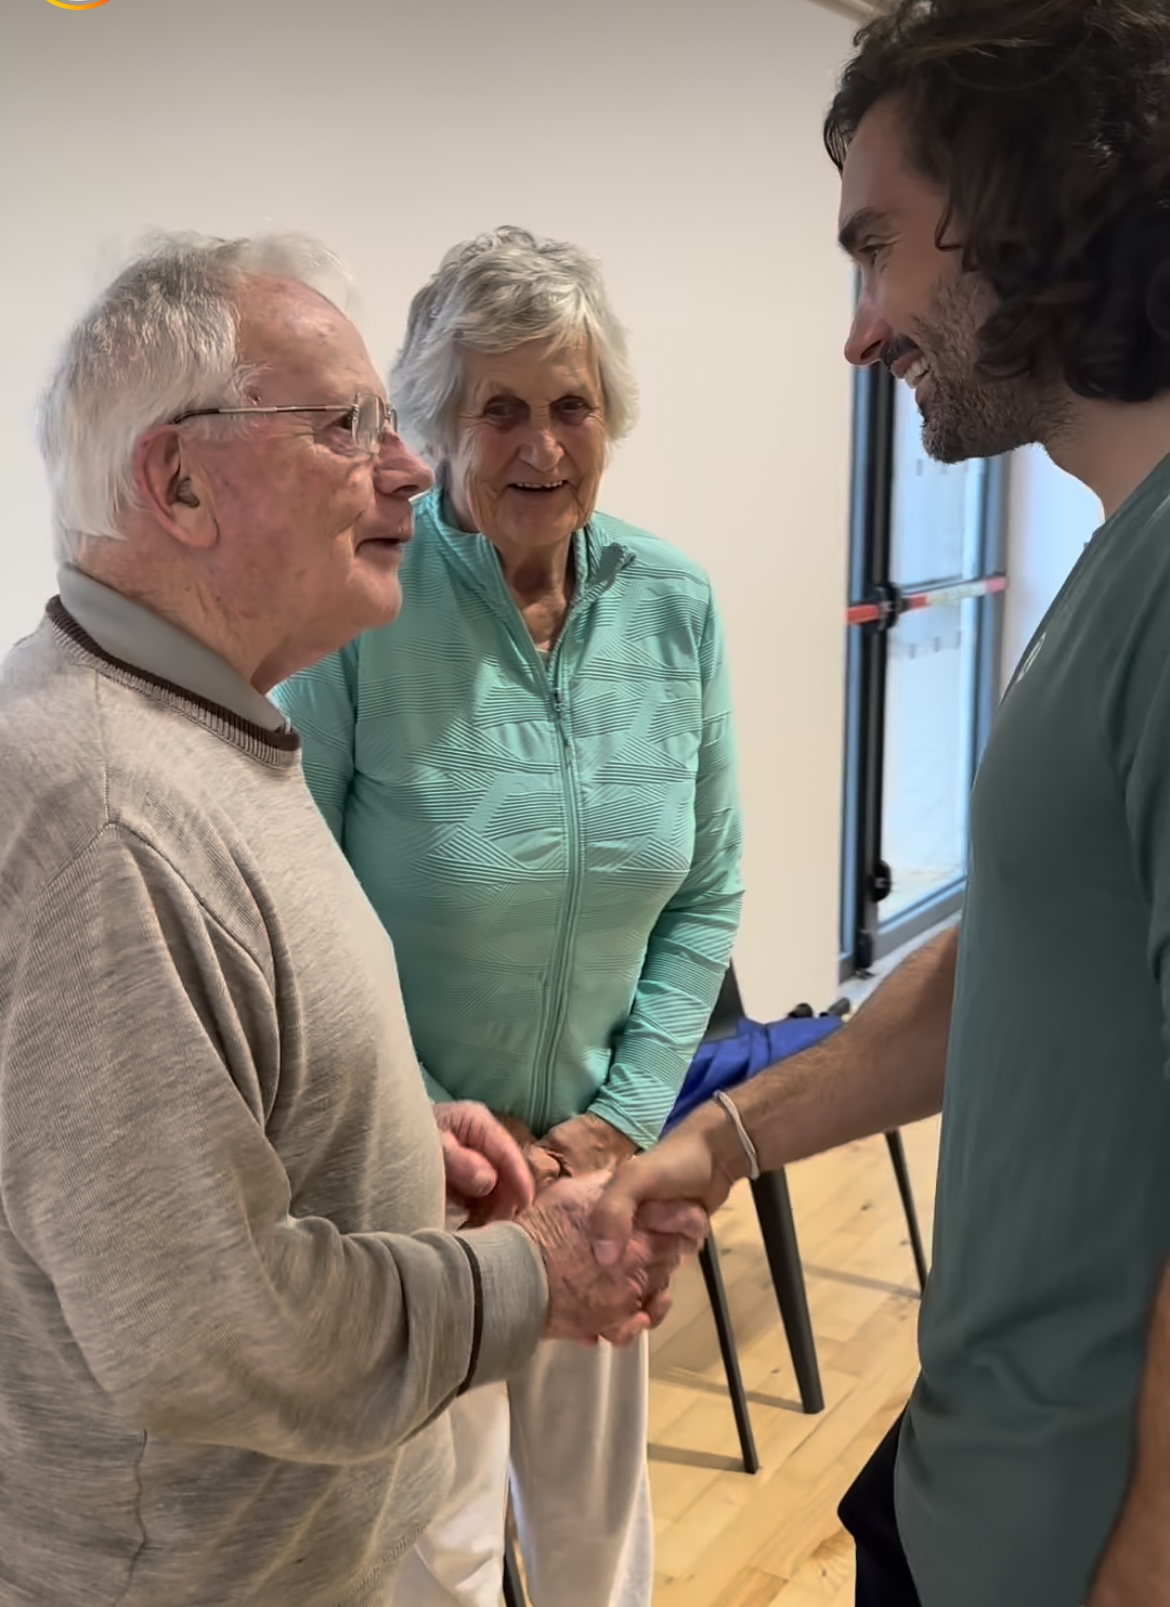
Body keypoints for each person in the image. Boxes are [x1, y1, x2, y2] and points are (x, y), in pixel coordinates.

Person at [0, 231, 705, 1607]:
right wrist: (524, 1279)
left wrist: (383, 1139)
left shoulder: (200, 732)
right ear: (179, 482)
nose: (405, 468)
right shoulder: (102, 809)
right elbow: (199, 1334)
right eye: (345, 428)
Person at [592, 3, 1170, 1604]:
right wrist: (718, 1142)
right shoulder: (1115, 570)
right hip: (973, 1481)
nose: (860, 328)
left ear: (1025, 209)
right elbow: (1009, 977)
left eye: (876, 250)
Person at [274, 225, 743, 1607]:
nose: (543, 444)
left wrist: (621, 1121)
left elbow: (708, 888)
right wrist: (430, 1127)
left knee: (597, 1535)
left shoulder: (674, 605)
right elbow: (297, 898)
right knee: (438, 1544)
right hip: (413, 1174)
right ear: (437, 422)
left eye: (571, 404)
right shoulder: (364, 601)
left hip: (604, 1164)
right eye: (501, 409)